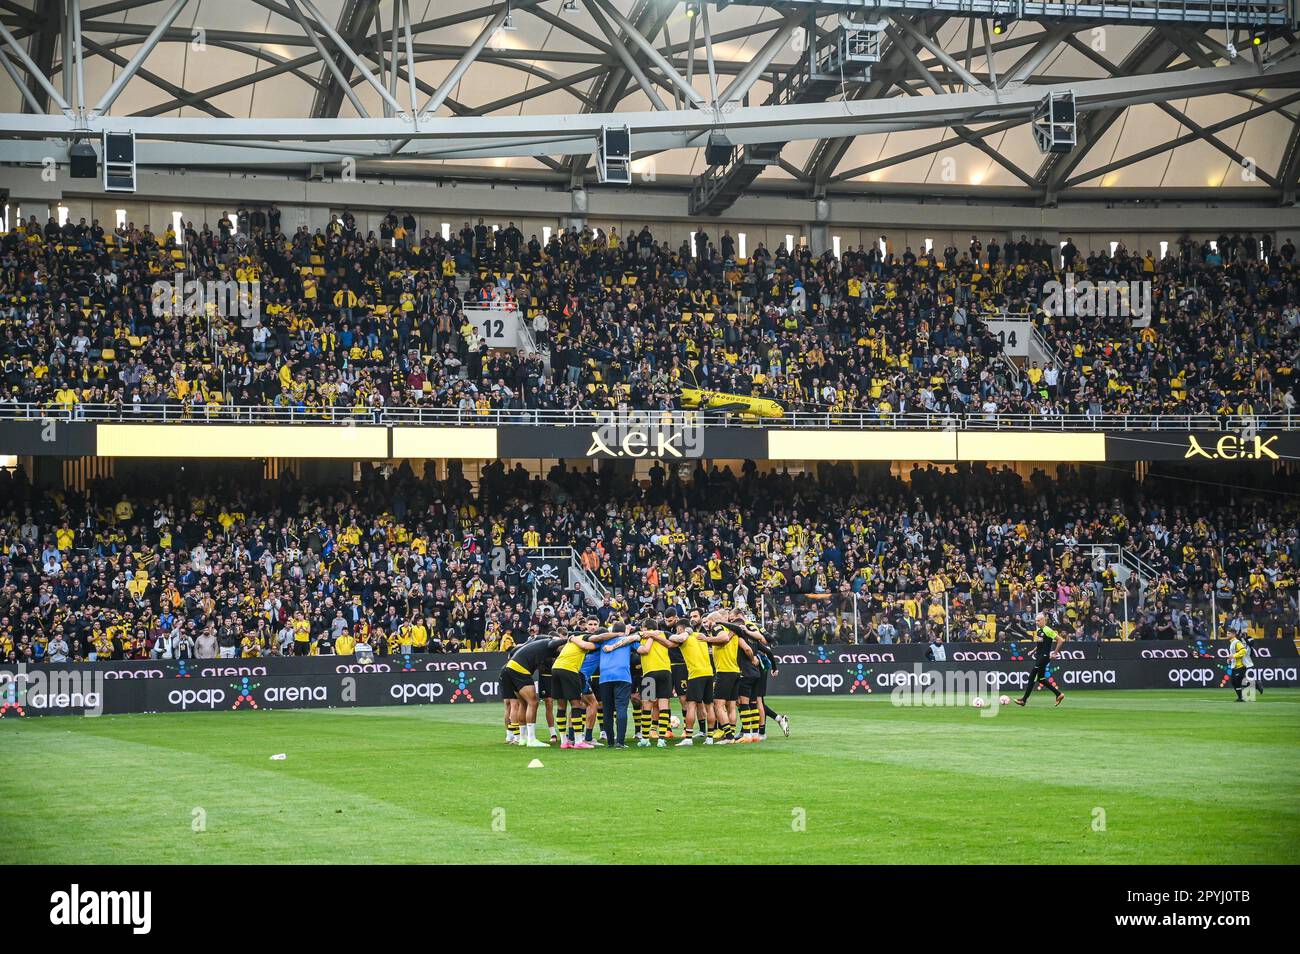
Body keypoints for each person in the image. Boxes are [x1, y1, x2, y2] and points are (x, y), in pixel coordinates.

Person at [499, 632, 568, 747]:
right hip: (520, 669)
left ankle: (522, 739)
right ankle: (531, 739)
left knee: (523, 703)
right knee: (533, 702)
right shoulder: (550, 642)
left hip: (510, 668)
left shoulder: (538, 643)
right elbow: (553, 644)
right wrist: (566, 639)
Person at [598, 626, 640, 748]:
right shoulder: (629, 640)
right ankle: (620, 742)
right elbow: (642, 650)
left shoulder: (603, 640)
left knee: (607, 710)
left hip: (605, 677)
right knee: (621, 708)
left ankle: (610, 742)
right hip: (623, 676)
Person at [1014, 613, 1066, 707]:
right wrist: (1033, 651)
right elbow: (1040, 644)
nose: (1036, 622)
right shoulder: (1039, 630)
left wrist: (1054, 653)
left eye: (1038, 621)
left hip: (1044, 657)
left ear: (1043, 620)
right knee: (1041, 679)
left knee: (1031, 677)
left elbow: (1061, 640)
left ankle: (1024, 700)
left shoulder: (1047, 630)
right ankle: (1058, 694)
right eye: (1036, 621)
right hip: (1039, 656)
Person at [1228, 632, 1255, 702]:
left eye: (1229, 633)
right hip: (1234, 666)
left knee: (1237, 682)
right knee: (1234, 682)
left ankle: (1241, 697)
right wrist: (1230, 659)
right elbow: (1234, 654)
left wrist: (1233, 656)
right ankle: (1240, 697)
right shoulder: (1232, 642)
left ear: (1233, 634)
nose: (1227, 635)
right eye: (1227, 633)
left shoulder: (1237, 642)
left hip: (1241, 665)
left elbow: (1244, 651)